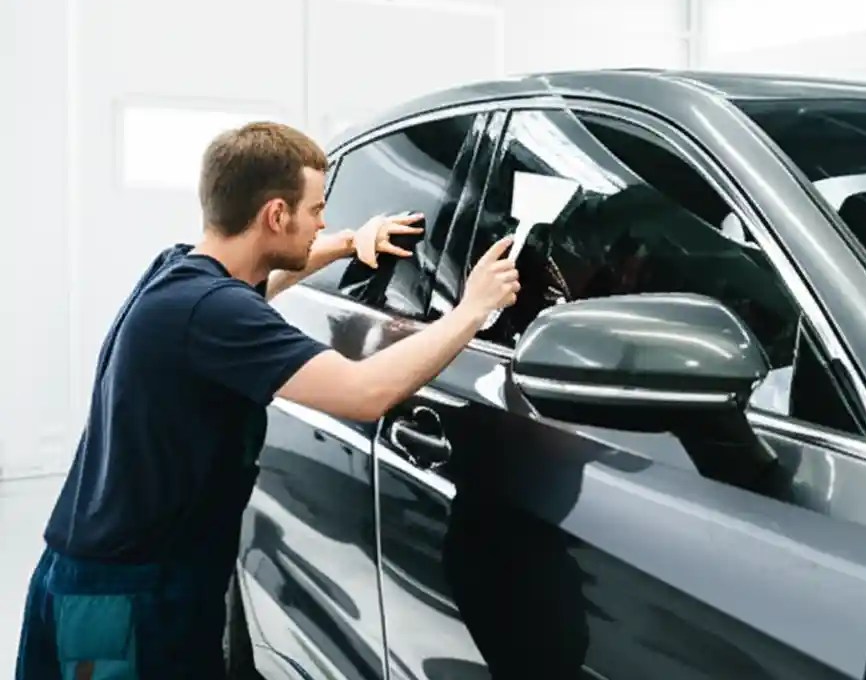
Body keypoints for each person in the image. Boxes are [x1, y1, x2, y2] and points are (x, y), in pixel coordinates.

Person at [14, 121, 519, 679]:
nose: (324, 221)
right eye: (316, 210)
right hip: (125, 602)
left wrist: (351, 242)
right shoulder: (213, 311)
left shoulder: (180, 275)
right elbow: (365, 392)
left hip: (123, 583)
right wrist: (473, 310)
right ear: (275, 215)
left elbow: (261, 289)